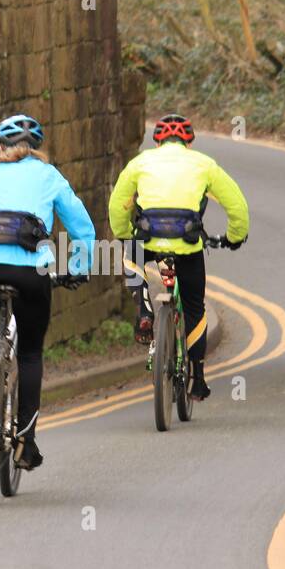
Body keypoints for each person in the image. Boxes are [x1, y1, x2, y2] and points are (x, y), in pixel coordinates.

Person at [0, 114, 95, 470]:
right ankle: (25, 442)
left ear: (0, 147)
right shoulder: (49, 176)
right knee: (29, 353)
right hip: (31, 271)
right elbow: (82, 227)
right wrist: (78, 268)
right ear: (34, 150)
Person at [108, 114, 248, 400]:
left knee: (131, 256)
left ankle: (145, 311)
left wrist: (124, 234)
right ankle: (197, 379)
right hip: (188, 244)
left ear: (158, 140)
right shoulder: (204, 164)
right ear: (189, 141)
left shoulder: (140, 163)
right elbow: (237, 205)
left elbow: (117, 205)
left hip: (147, 237)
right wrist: (234, 237)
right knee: (195, 308)